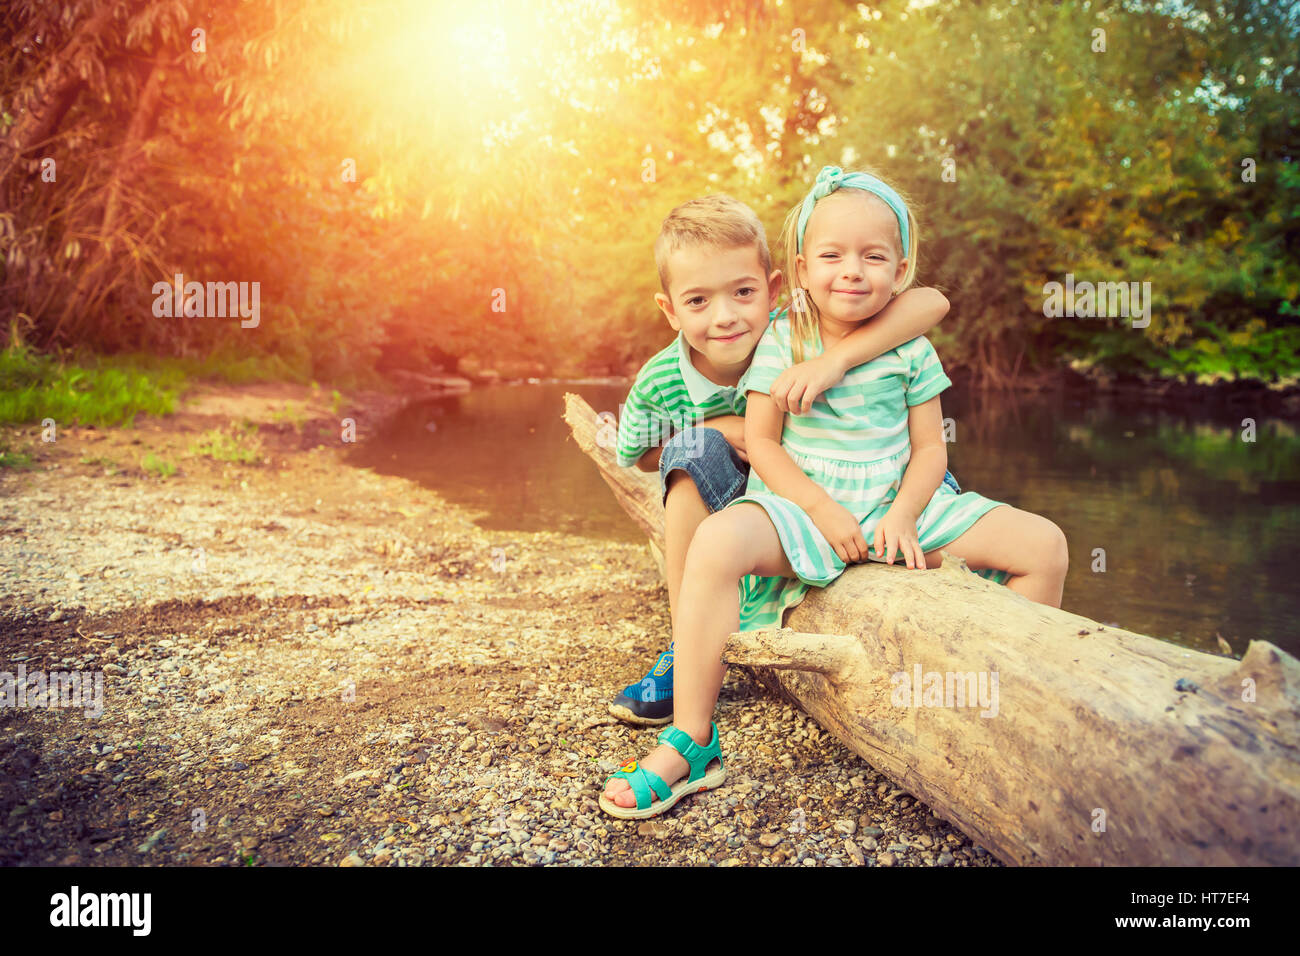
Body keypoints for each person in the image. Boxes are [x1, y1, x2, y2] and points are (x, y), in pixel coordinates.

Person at [600, 165, 1069, 818]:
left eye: (873, 257)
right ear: (799, 269)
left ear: (899, 270)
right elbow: (762, 444)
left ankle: (1005, 712)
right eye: (832, 256)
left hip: (901, 508)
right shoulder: (787, 336)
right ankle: (692, 738)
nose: (852, 271)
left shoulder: (908, 347)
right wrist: (819, 510)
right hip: (802, 507)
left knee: (1044, 545)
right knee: (715, 541)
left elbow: (932, 448)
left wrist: (905, 515)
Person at [610, 192, 959, 727]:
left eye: (743, 292)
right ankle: (687, 647)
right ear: (670, 310)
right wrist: (718, 427)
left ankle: (933, 569)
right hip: (744, 494)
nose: (725, 317)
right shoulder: (662, 378)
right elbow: (637, 457)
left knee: (912, 464)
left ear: (773, 290)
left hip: (836, 475)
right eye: (698, 301)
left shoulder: (794, 326)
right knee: (689, 454)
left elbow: (931, 303)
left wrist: (837, 360)